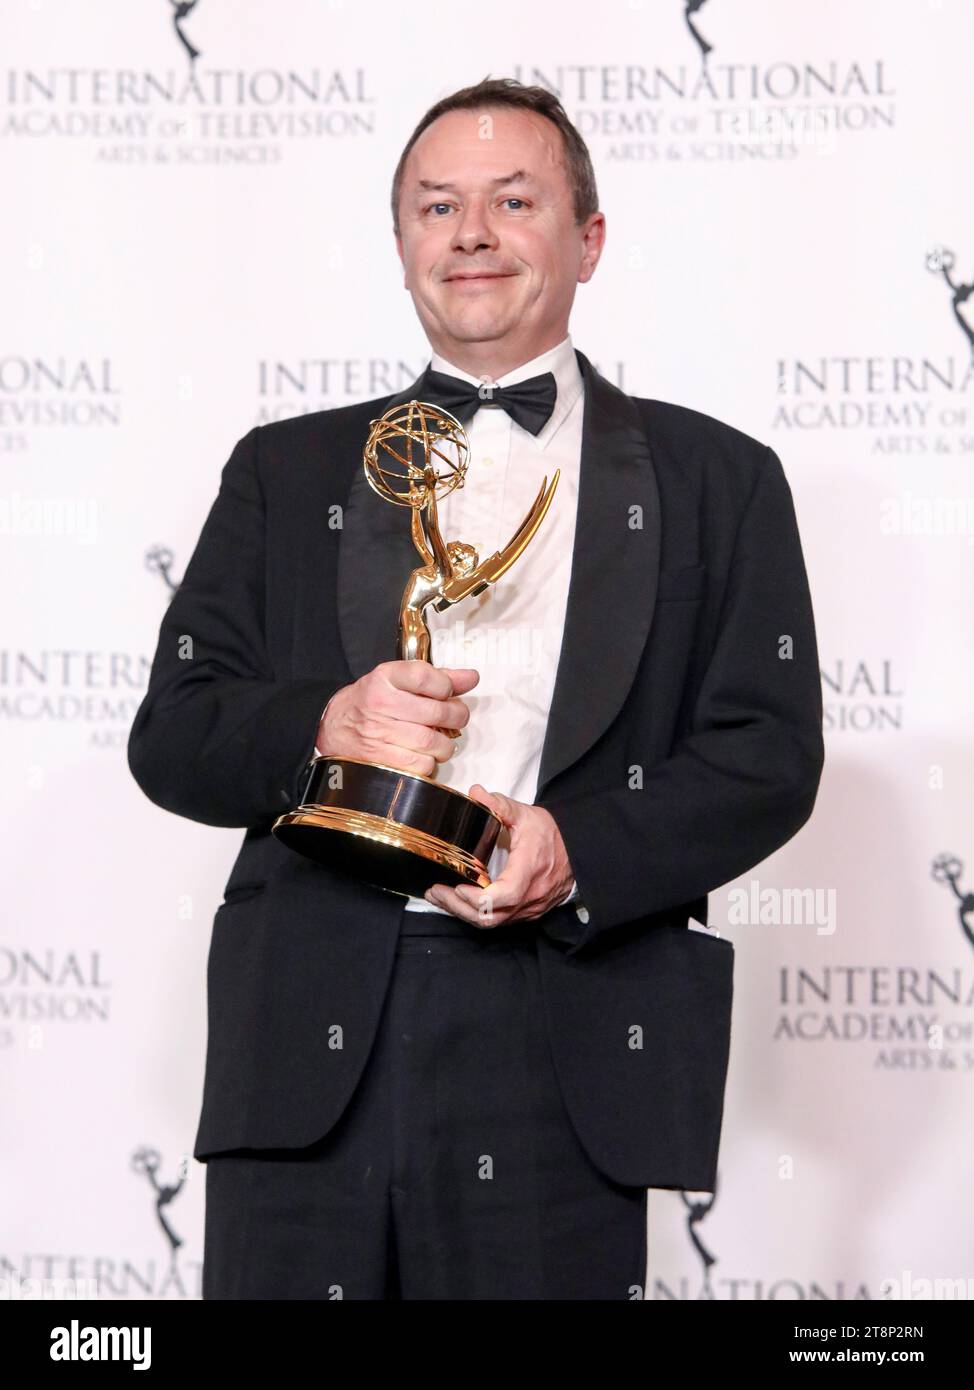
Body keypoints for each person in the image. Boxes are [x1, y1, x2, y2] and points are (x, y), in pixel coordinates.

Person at [127, 76, 824, 1301]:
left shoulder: (722, 479)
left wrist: (575, 847)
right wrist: (324, 724)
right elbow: (174, 734)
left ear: (587, 238)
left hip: (564, 1030)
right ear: (401, 243)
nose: (470, 233)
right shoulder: (284, 471)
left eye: (513, 199)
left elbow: (764, 754)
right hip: (309, 1033)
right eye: (435, 205)